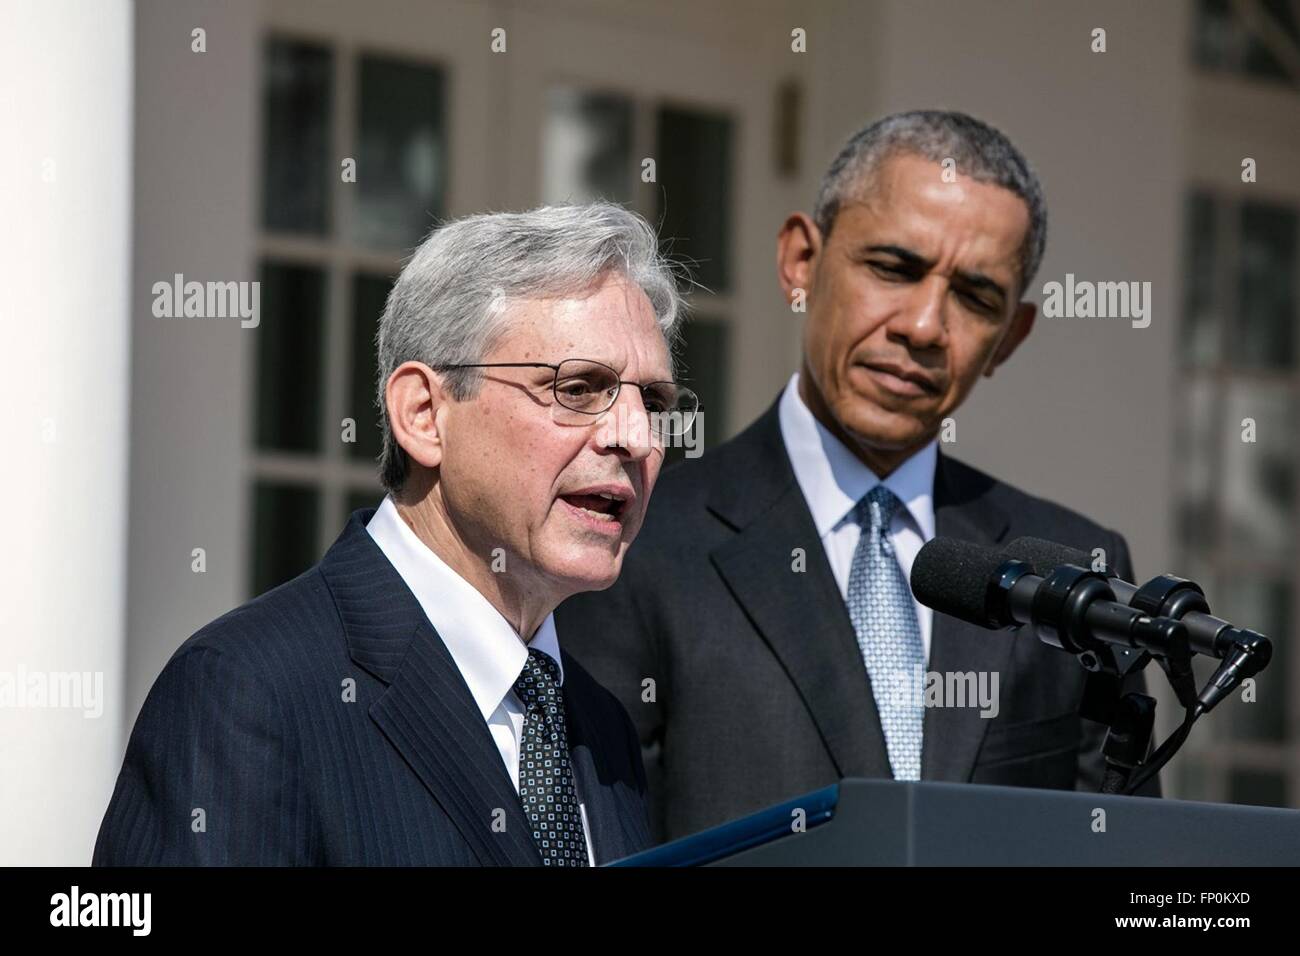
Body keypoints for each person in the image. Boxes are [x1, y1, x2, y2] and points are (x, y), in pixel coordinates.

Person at [557, 110, 1159, 844]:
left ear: (1012, 335)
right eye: (893, 268)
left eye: (975, 297)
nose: (925, 326)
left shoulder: (1074, 569)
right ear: (801, 263)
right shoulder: (638, 541)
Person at [94, 202, 699, 865]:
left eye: (656, 404)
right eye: (581, 387)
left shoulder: (601, 725)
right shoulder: (248, 692)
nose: (637, 436)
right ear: (423, 413)